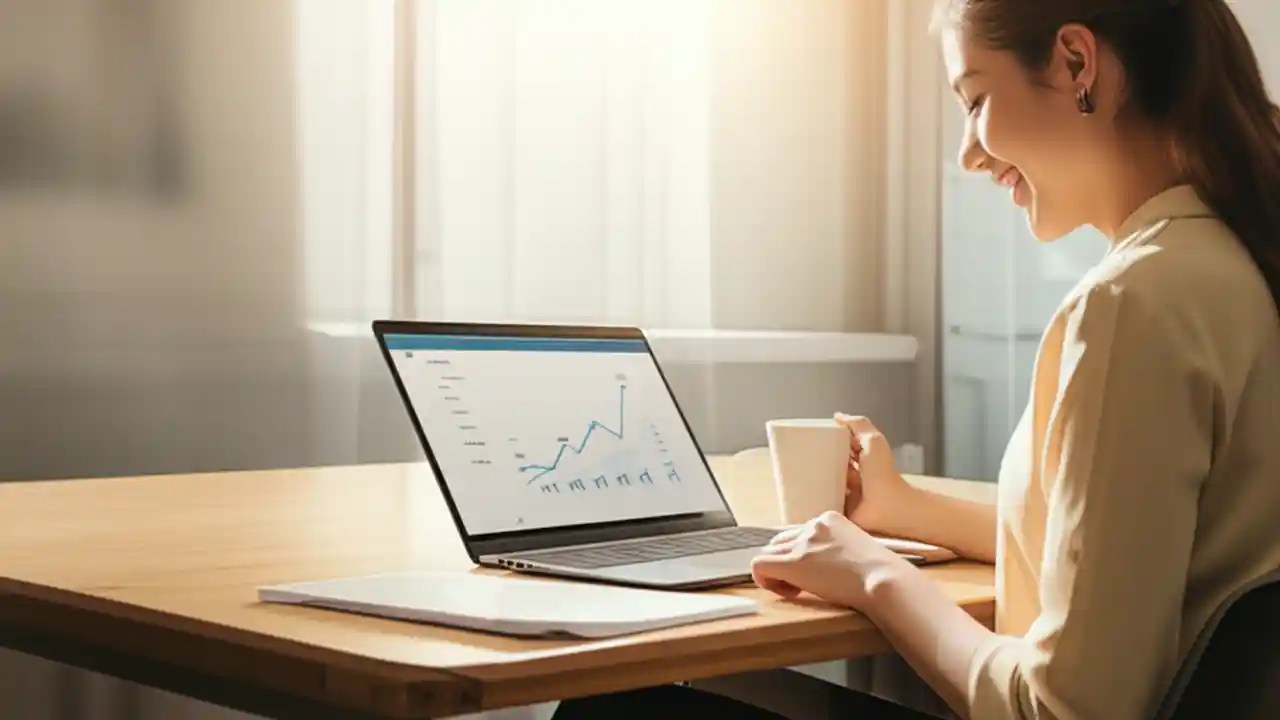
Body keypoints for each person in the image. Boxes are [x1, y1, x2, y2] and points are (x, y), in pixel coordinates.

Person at [554, 0, 1280, 718]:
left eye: (976, 99)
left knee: (618, 706)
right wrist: (904, 511)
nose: (968, 150)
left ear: (1076, 63)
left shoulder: (1136, 304)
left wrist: (874, 576)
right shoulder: (1232, 269)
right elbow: (1126, 542)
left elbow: (1065, 709)